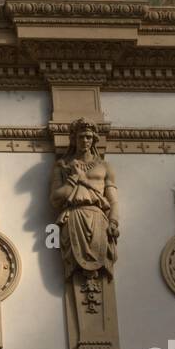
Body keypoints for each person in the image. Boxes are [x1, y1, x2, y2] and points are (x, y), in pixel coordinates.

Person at [50, 119, 120, 282]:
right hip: (73, 216)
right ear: (74, 139)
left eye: (88, 137)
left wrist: (114, 222)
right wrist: (73, 180)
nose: (85, 141)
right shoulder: (62, 166)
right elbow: (55, 199)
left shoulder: (105, 166)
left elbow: (113, 200)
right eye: (81, 137)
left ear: (94, 139)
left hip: (98, 217)